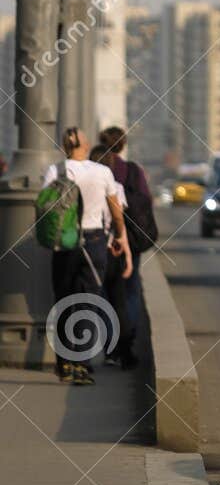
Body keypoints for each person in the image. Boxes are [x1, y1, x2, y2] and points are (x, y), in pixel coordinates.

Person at [44, 128, 132, 386]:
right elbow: (116, 211)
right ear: (85, 144)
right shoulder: (102, 172)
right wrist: (118, 235)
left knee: (63, 301)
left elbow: (45, 208)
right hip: (94, 242)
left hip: (64, 242)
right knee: (86, 302)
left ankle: (63, 364)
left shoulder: (55, 171)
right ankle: (80, 366)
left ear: (64, 146)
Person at [98, 125, 158, 362]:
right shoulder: (133, 170)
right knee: (131, 290)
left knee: (105, 293)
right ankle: (129, 338)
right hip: (131, 240)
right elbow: (147, 202)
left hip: (103, 240)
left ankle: (111, 347)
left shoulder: (98, 168)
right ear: (123, 145)